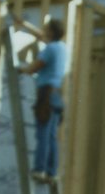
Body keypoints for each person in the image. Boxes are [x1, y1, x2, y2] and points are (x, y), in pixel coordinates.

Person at [16, 17, 67, 182]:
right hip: (57, 95)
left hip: (46, 94)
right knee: (51, 136)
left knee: (43, 134)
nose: (43, 31)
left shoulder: (49, 49)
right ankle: (51, 172)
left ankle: (39, 169)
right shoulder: (61, 47)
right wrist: (24, 24)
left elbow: (33, 68)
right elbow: (42, 36)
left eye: (46, 29)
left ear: (51, 32)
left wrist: (20, 69)